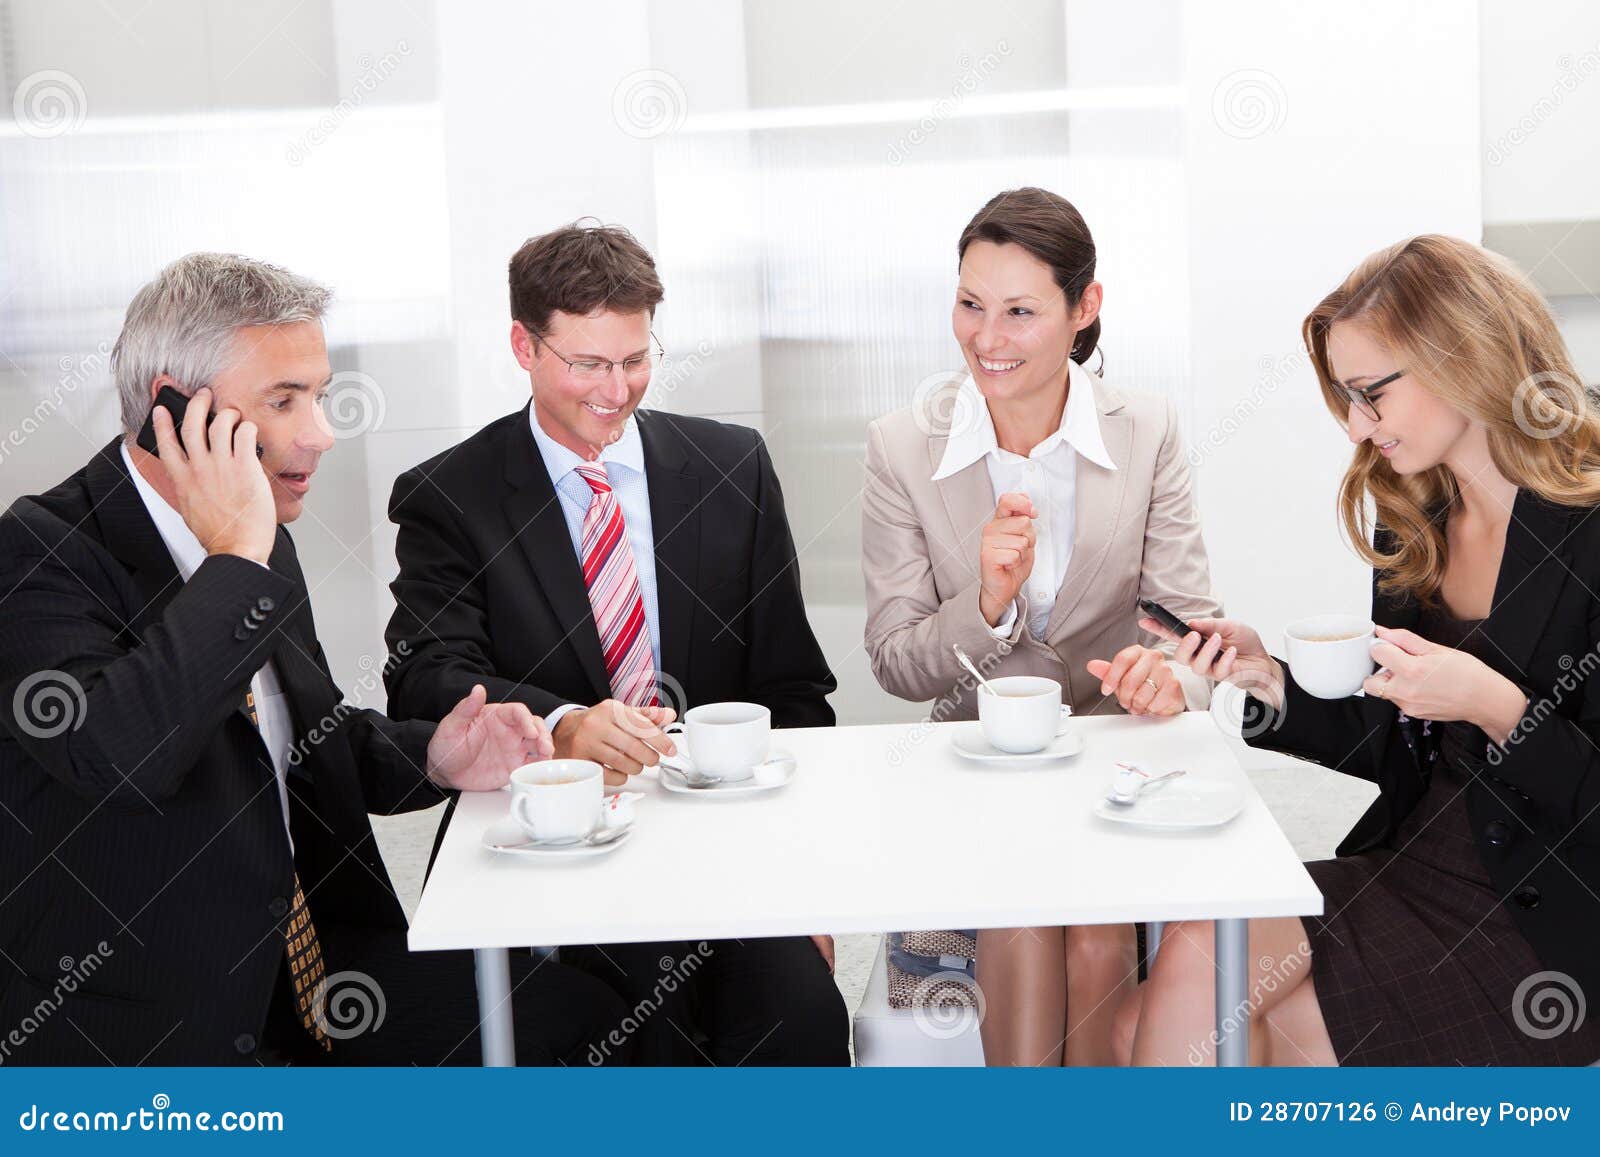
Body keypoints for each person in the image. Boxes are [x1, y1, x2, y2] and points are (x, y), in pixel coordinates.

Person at [0, 254, 630, 1066]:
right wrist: (235, 558)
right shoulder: (40, 555)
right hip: (148, 1018)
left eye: (321, 395)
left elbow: (304, 737)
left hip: (314, 969)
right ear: (174, 411)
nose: (322, 433)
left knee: (584, 1020)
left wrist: (436, 756)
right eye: (284, 400)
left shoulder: (262, 545)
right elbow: (127, 754)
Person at [1119, 234, 1600, 1066]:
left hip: (1544, 925)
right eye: (1345, 397)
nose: (1354, 424)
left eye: (1371, 393)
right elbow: (1399, 739)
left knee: (1175, 1028)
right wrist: (1265, 678)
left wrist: (1493, 704)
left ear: (1463, 352)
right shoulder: (1414, 508)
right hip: (1416, 861)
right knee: (1185, 971)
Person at [383, 221, 848, 1065]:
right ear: (523, 345)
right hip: (550, 858)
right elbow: (425, 680)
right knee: (629, 1048)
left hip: (725, 852)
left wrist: (803, 888)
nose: (616, 388)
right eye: (588, 363)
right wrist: (560, 725)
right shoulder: (450, 496)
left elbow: (795, 692)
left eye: (634, 359)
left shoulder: (731, 467)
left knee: (805, 1023)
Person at [861, 187, 1221, 1065]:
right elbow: (895, 662)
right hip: (979, 767)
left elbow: (1195, 634)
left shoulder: (1148, 431)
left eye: (1020, 311)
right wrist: (983, 603)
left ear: (1083, 308)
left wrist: (1172, 676)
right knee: (1024, 920)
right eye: (970, 304)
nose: (987, 338)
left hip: (1117, 759)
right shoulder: (902, 445)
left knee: (1096, 936)